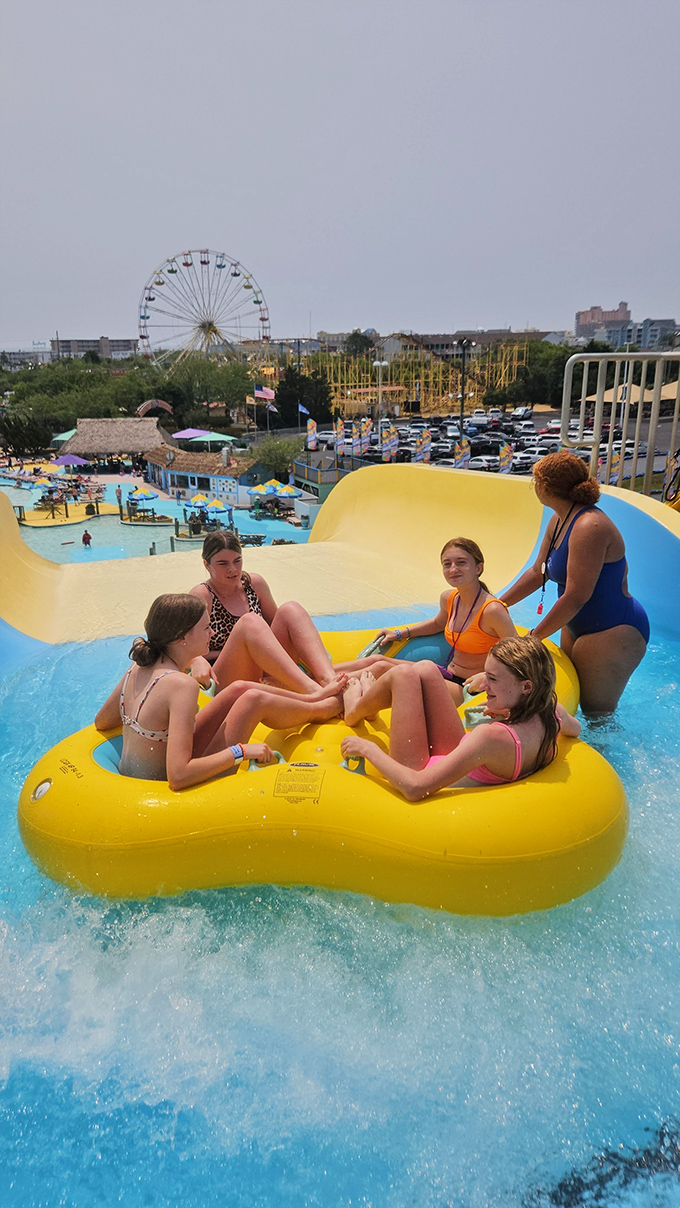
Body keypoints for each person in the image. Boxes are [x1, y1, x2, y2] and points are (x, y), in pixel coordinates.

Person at [94, 594, 345, 790]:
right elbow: (178, 776)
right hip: (167, 792)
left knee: (240, 689)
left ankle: (314, 698)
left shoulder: (139, 667)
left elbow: (102, 721)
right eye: (206, 628)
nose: (212, 633)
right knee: (253, 700)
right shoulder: (181, 686)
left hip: (137, 775)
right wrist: (241, 752)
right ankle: (329, 706)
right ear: (182, 638)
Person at [340, 636, 580, 801]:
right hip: (460, 763)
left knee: (403, 675)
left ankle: (355, 710)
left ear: (526, 687)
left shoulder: (491, 737)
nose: (483, 686)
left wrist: (367, 749)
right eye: (486, 675)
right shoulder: (551, 713)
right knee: (426, 669)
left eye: (493, 679)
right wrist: (512, 712)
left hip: (416, 771)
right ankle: (366, 702)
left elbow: (415, 788)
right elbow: (576, 729)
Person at [500, 451, 649, 714]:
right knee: (569, 703)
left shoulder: (590, 526)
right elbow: (538, 572)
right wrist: (497, 604)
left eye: (535, 481)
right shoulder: (559, 519)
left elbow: (576, 596)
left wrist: (532, 639)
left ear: (546, 487)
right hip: (576, 625)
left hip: (615, 630)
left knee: (596, 715)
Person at [334, 537, 517, 703]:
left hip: (469, 688)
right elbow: (438, 624)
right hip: (447, 674)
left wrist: (487, 677)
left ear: (478, 568)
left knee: (382, 667)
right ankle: (322, 679)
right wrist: (399, 633)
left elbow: (520, 654)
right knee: (376, 660)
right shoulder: (449, 598)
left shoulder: (492, 610)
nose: (453, 569)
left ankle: (330, 695)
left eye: (461, 562)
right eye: (447, 564)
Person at [188, 531, 339, 694]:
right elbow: (178, 645)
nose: (232, 569)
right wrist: (195, 660)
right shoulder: (203, 596)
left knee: (290, 609)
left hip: (263, 666)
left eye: (237, 561)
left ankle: (329, 680)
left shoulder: (254, 584)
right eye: (223, 563)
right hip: (226, 676)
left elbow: (280, 628)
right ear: (207, 565)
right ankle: (314, 691)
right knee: (249, 623)